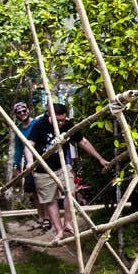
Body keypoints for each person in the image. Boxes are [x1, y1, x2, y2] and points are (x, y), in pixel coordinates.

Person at [25, 102, 107, 241]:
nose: (61, 123)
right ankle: (59, 231)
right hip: (42, 170)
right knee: (50, 201)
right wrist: (29, 162)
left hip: (62, 166)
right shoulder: (39, 124)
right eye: (58, 121)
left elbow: (83, 142)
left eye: (63, 119)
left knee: (71, 191)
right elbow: (29, 145)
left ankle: (68, 223)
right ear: (50, 116)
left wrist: (100, 158)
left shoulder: (68, 124)